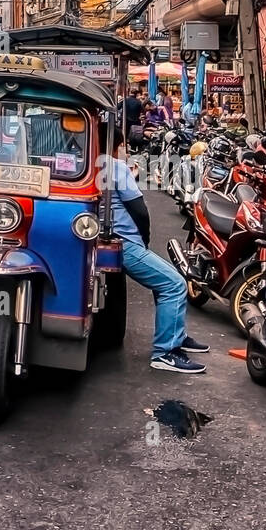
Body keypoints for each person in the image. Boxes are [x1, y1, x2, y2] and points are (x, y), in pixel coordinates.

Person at [105, 127, 207, 373]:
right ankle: (165, 352)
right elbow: (139, 210)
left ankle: (176, 336)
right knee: (174, 284)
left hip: (116, 240)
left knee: (166, 277)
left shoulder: (92, 166)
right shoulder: (116, 167)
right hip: (125, 243)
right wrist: (145, 238)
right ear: (117, 143)